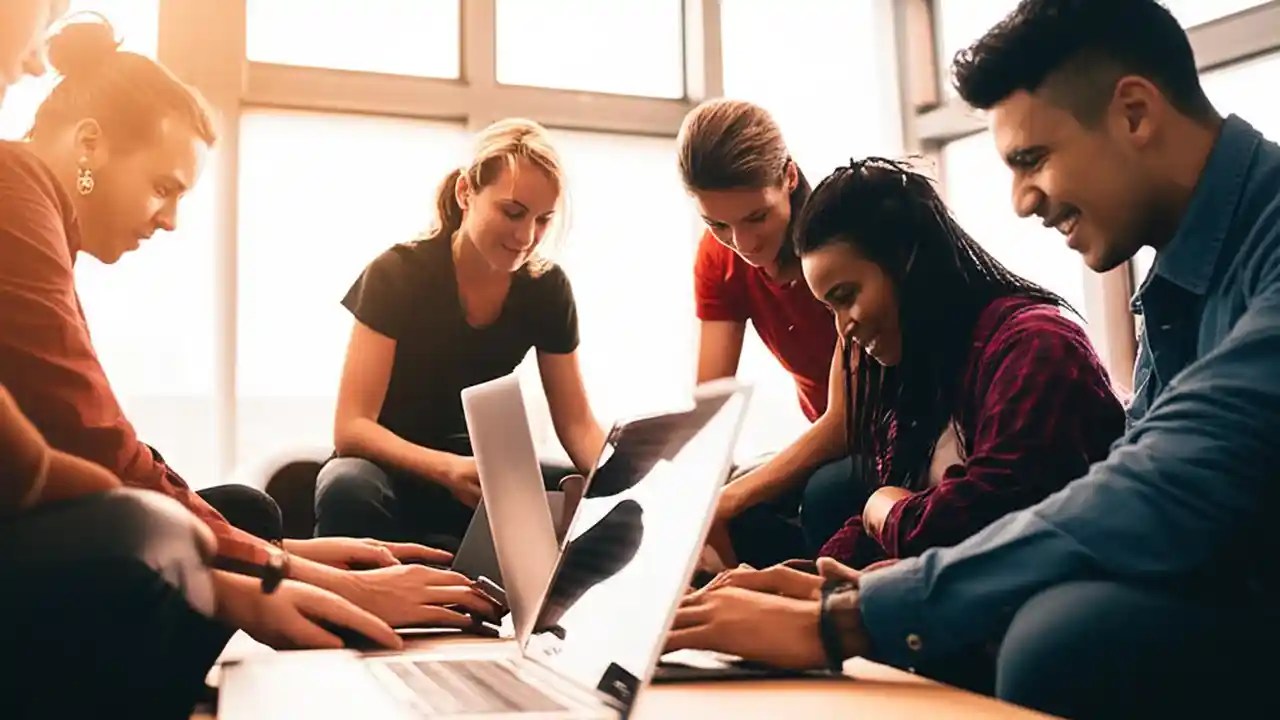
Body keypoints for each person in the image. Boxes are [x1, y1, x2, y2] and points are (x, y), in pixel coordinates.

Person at [666, 1, 1280, 717]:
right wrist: (835, 586)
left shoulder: (1048, 338)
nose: (1020, 201)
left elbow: (1159, 490)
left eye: (1032, 159)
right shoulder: (1177, 280)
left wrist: (849, 616)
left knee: (1062, 638)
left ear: (1134, 114)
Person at [0, 15, 499, 646]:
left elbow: (103, 450)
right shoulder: (16, 192)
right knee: (206, 521)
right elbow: (96, 443)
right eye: (162, 188)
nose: (170, 220)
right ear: (90, 144)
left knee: (246, 510)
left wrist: (286, 556)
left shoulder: (38, 213)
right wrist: (304, 576)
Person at [313, 118, 606, 551]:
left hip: (474, 471)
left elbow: (578, 425)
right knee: (347, 489)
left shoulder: (547, 288)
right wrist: (446, 468)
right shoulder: (396, 273)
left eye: (543, 220)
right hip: (386, 468)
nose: (526, 236)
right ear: (466, 192)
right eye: (512, 212)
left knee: (580, 491)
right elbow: (352, 428)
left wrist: (628, 485)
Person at [676, 98, 865, 567]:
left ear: (789, 177)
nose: (742, 243)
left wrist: (728, 500)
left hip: (893, 433)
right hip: (828, 440)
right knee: (732, 501)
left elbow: (846, 424)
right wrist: (700, 490)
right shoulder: (719, 258)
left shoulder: (841, 243)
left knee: (825, 494)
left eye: (756, 217)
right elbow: (711, 408)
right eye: (717, 224)